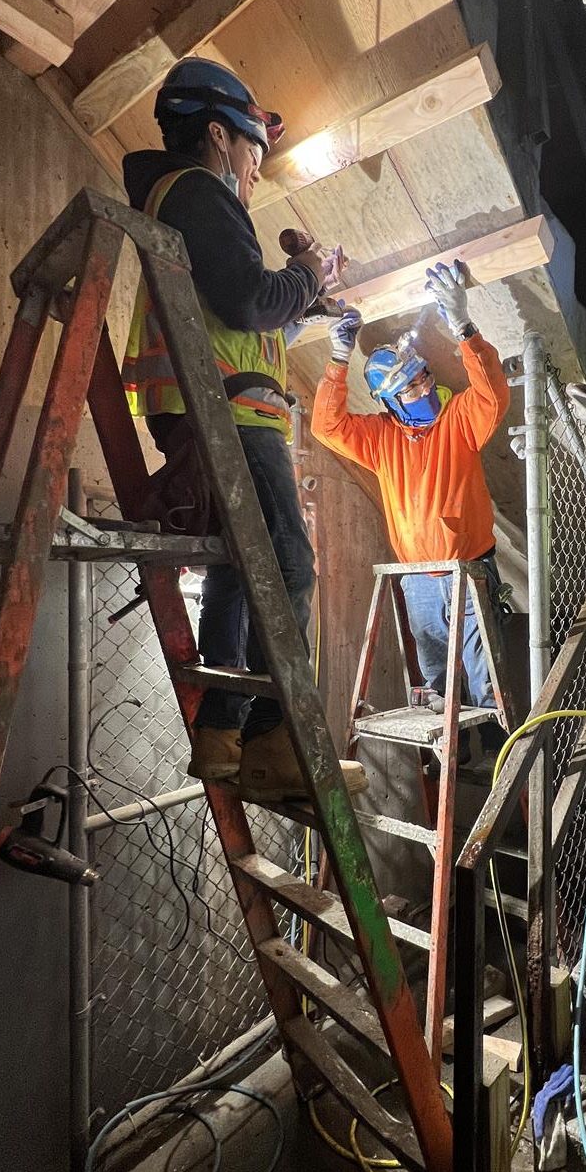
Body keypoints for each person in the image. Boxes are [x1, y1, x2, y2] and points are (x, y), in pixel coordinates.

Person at [122, 56, 354, 801]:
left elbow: (240, 312)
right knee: (290, 564)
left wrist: (306, 298)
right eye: (255, 149)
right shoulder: (198, 191)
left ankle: (224, 735)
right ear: (220, 135)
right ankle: (279, 740)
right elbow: (249, 300)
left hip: (211, 405)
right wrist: (306, 275)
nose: (256, 167)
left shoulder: (180, 200)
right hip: (230, 413)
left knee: (235, 568)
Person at [311, 261, 510, 728]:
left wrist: (463, 325)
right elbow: (326, 426)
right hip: (418, 579)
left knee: (486, 681)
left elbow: (493, 396)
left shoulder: (458, 420)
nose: (423, 389)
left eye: (422, 377)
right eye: (410, 387)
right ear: (390, 401)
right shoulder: (382, 438)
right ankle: (452, 760)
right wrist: (338, 359)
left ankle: (502, 757)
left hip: (470, 571)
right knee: (435, 691)